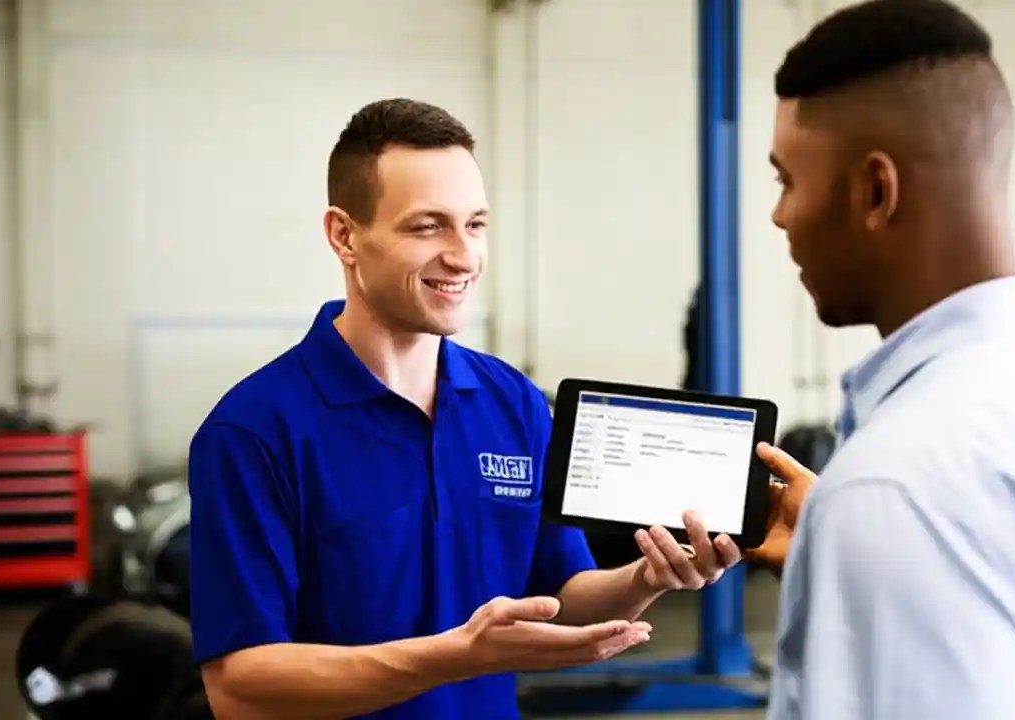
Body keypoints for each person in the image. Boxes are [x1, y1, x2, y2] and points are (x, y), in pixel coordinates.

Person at [186, 98, 744, 720]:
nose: (463, 256)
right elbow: (239, 687)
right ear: (344, 235)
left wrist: (646, 579)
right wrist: (455, 657)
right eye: (428, 227)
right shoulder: (256, 431)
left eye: (475, 224)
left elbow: (560, 596)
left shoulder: (513, 403)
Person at [750, 1, 1015, 718]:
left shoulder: (897, 485)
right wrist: (848, 555)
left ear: (875, 192)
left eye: (787, 180)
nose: (780, 216)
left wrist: (874, 528)